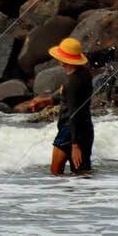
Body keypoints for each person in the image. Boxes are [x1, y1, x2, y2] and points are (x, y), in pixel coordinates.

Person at [38, 36, 94, 175]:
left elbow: (74, 113)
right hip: (85, 130)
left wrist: (75, 145)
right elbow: (69, 96)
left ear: (64, 60)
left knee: (56, 173)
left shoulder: (72, 83)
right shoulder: (83, 74)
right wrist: (50, 99)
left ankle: (62, 196)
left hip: (69, 131)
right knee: (82, 175)